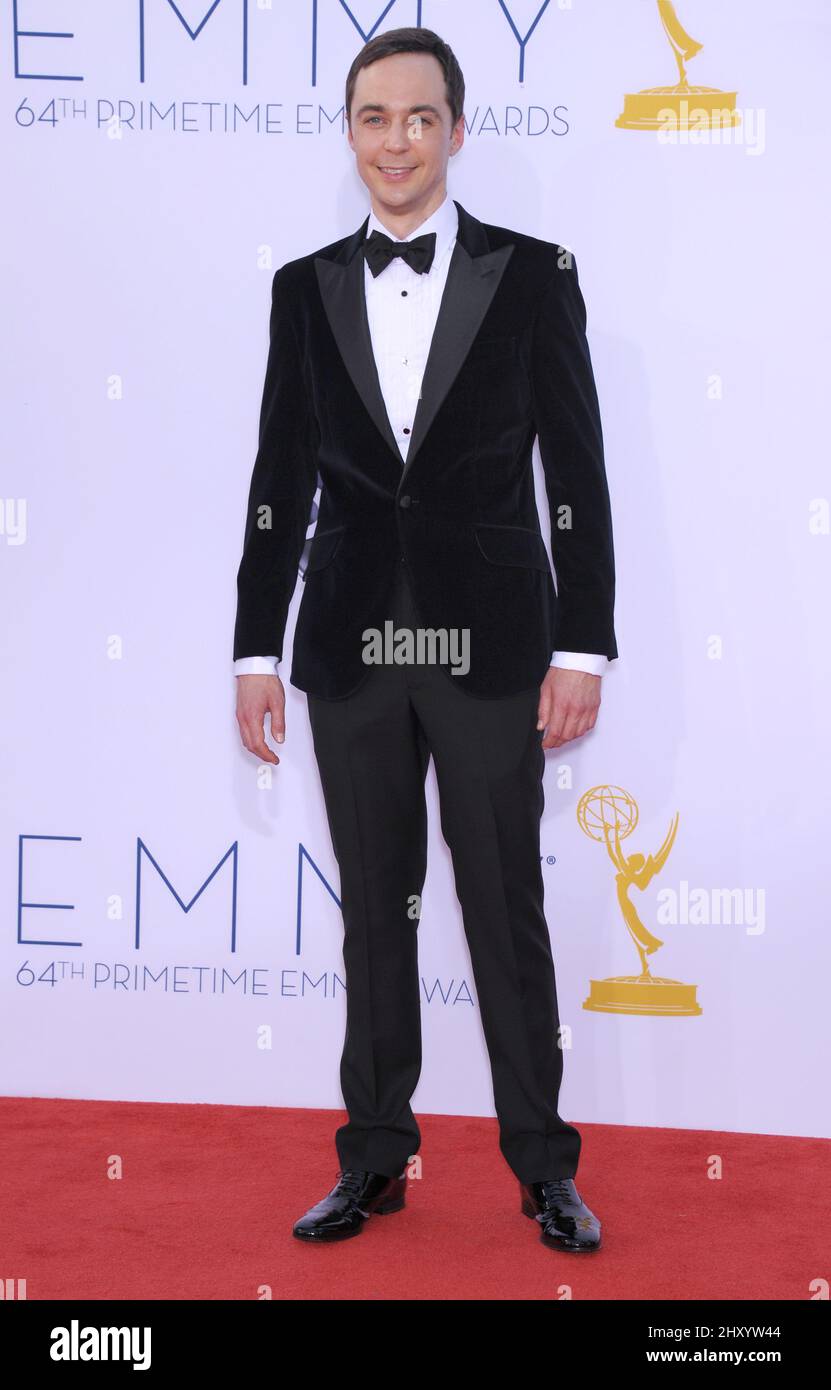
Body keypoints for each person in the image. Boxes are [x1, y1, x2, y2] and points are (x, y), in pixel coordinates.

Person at [233, 27, 617, 1254]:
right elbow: (277, 476)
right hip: (348, 645)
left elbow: (578, 470)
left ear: (457, 128)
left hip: (494, 640)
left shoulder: (534, 273)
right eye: (370, 117)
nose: (393, 140)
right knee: (374, 912)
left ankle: (544, 1168)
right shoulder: (303, 287)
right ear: (348, 134)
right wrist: (254, 649)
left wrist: (586, 644)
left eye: (416, 116)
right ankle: (375, 1158)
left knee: (506, 908)